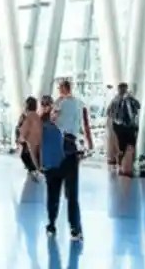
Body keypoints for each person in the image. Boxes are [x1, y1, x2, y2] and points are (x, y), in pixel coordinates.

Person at [50, 79, 93, 241]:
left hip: (59, 146)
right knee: (72, 192)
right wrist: (90, 145)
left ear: (62, 89)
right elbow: (86, 126)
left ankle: (52, 225)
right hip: (72, 146)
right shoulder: (80, 104)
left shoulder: (59, 103)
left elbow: (52, 121)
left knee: (54, 188)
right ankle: (76, 230)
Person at [39, 94, 83, 241]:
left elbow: (37, 144)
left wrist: (40, 164)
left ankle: (52, 225)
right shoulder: (65, 126)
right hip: (68, 159)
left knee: (53, 194)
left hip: (52, 164)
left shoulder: (42, 125)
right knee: (71, 195)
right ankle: (74, 229)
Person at [108, 82, 140, 177]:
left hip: (124, 126)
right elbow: (138, 107)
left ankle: (124, 166)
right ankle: (125, 166)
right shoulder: (117, 99)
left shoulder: (119, 99)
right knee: (126, 146)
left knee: (125, 146)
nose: (123, 91)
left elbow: (109, 112)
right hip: (124, 127)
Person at [16, 96, 43, 181]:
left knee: (24, 155)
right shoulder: (37, 116)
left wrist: (19, 140)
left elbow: (23, 131)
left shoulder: (28, 116)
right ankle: (34, 171)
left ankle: (33, 171)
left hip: (29, 143)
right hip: (36, 143)